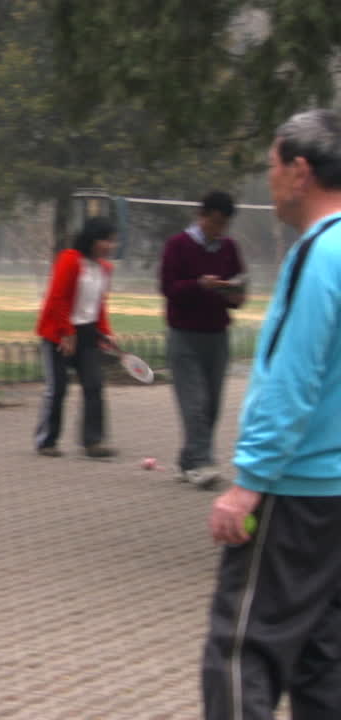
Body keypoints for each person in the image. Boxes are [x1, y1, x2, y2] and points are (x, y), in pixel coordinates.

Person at [202, 109, 341, 720]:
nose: (270, 179)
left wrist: (248, 484)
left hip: (298, 493)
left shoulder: (319, 255)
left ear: (301, 170)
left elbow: (292, 379)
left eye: (272, 165)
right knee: (326, 660)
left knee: (241, 652)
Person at [159, 191, 246, 489]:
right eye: (216, 222)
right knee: (194, 403)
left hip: (217, 335)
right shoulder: (178, 245)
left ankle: (188, 460)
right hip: (185, 336)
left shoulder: (229, 248)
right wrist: (199, 285)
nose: (219, 230)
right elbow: (168, 288)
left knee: (212, 405)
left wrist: (232, 293)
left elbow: (238, 289)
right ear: (203, 215)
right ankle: (200, 463)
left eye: (225, 225)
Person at [33, 216, 119, 459]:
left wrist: (105, 334)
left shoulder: (104, 268)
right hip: (58, 332)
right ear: (92, 239)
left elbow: (98, 305)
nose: (109, 246)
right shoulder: (69, 259)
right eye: (106, 240)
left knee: (94, 385)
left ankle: (93, 441)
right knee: (57, 388)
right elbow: (58, 297)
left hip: (88, 333)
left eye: (112, 241)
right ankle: (47, 441)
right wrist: (66, 332)